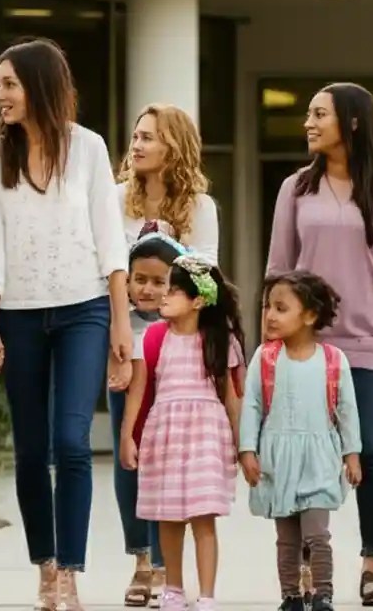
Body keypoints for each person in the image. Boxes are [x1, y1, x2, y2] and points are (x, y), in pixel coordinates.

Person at [0, 37, 133, 611]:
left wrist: (121, 324)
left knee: (71, 442)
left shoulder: (87, 148)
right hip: (16, 314)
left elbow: (111, 243)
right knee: (31, 447)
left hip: (84, 308)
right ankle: (44, 563)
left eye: (8, 83)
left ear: (38, 84)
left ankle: (71, 569)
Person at [265, 82, 373, 606]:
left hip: (370, 344)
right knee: (307, 451)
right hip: (306, 344)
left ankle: (371, 562)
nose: (308, 123)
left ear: (351, 122)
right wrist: (274, 332)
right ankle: (307, 566)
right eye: (307, 113)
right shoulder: (295, 190)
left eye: (319, 114)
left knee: (369, 451)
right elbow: (279, 268)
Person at [119, 253, 246, 611]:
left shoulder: (220, 341)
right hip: (166, 434)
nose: (164, 296)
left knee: (203, 517)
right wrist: (128, 436)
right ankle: (172, 587)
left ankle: (206, 595)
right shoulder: (154, 337)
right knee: (169, 516)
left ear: (198, 300)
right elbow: (139, 390)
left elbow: (232, 396)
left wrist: (243, 443)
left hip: (206, 433)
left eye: (173, 290)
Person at [239, 271, 363, 611]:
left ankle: (322, 593)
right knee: (287, 539)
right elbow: (251, 405)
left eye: (281, 308)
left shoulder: (334, 361)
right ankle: (291, 596)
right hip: (278, 461)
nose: (270, 315)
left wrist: (352, 454)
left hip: (320, 460)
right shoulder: (264, 359)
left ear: (309, 316)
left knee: (317, 534)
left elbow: (347, 410)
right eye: (268, 307)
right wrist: (247, 450)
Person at [114, 231, 188, 607]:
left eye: (159, 282)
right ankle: (141, 560)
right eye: (139, 279)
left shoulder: (181, 323)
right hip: (128, 407)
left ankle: (164, 565)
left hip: (167, 408)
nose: (147, 289)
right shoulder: (120, 321)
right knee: (128, 472)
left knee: (166, 481)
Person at [117, 103, 219, 263]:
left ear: (173, 148)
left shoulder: (201, 206)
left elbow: (207, 270)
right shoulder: (116, 197)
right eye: (135, 137)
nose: (136, 146)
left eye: (147, 138)